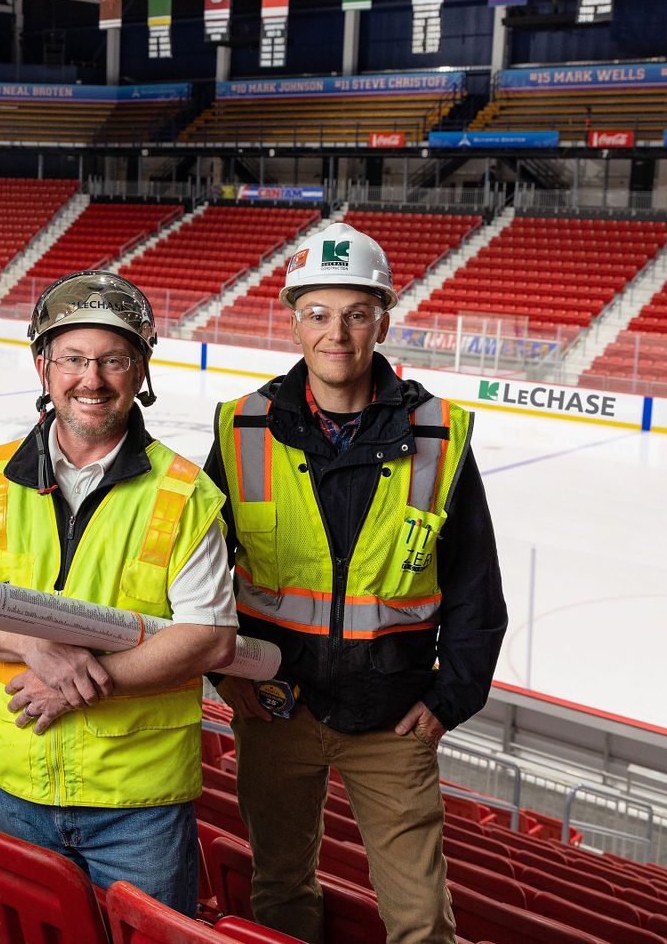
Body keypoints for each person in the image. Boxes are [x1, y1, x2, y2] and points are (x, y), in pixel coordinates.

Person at [205, 224, 507, 944]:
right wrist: (224, 674)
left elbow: (475, 589)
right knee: (280, 888)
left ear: (384, 317)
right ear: (293, 317)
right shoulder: (243, 427)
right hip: (274, 709)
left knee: (420, 919)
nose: (335, 332)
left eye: (356, 312)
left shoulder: (438, 435)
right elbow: (199, 570)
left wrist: (448, 698)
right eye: (318, 312)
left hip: (392, 721)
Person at [0, 271, 236, 914]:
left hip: (137, 805)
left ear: (141, 371)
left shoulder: (185, 494)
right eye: (72, 358)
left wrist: (81, 680)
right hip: (15, 784)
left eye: (113, 360)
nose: (90, 380)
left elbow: (208, 639)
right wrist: (35, 650)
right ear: (43, 367)